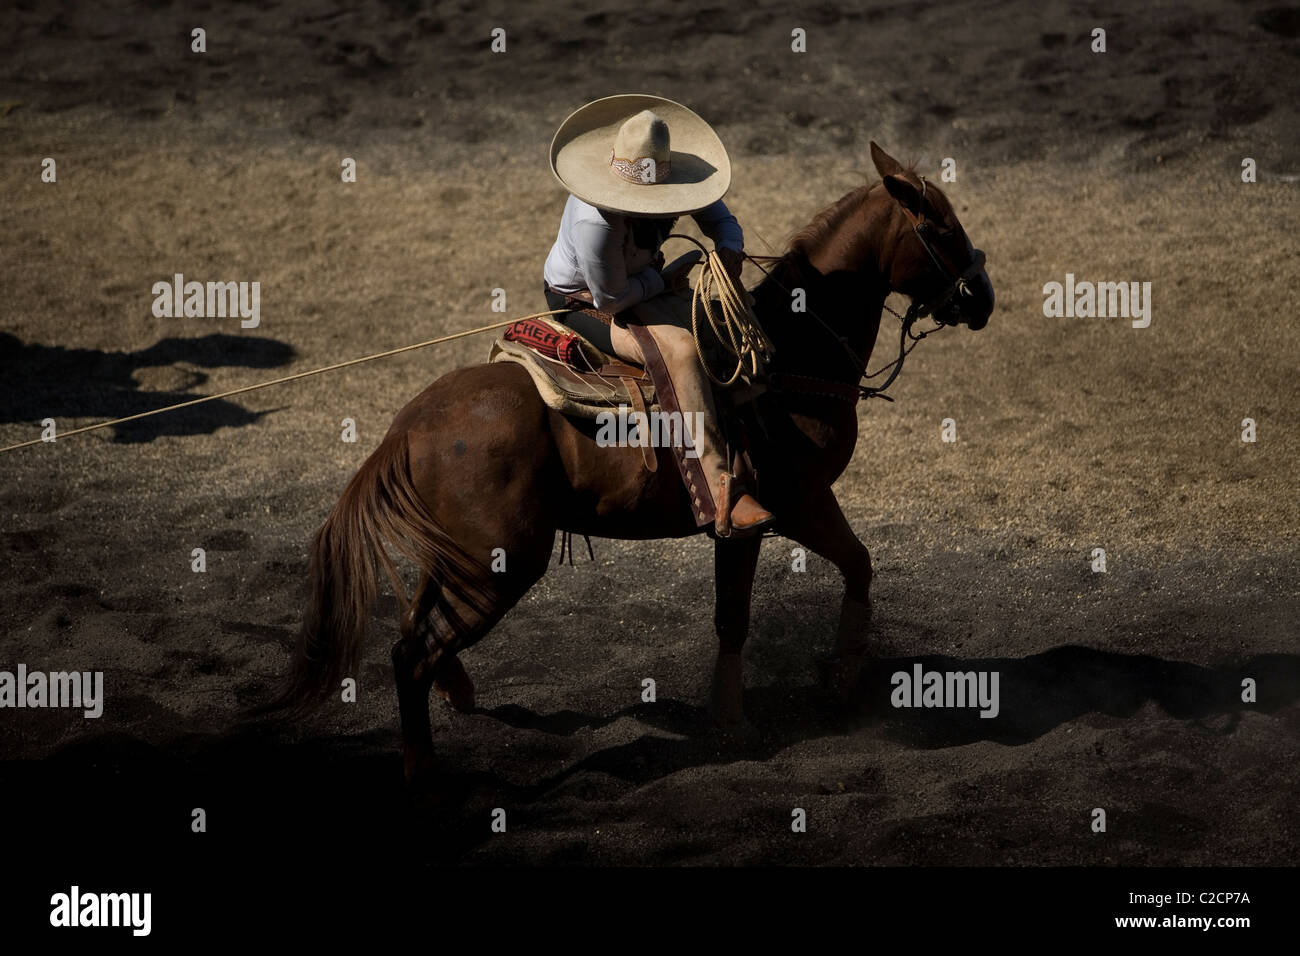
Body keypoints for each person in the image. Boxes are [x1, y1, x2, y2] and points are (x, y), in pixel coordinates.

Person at [542, 94, 774, 536]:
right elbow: (610, 300)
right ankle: (718, 488)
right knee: (683, 350)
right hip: (584, 304)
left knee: (728, 318)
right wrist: (666, 278)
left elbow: (720, 217)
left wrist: (730, 247)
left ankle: (756, 442)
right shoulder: (596, 223)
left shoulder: (671, 181)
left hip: (641, 282)